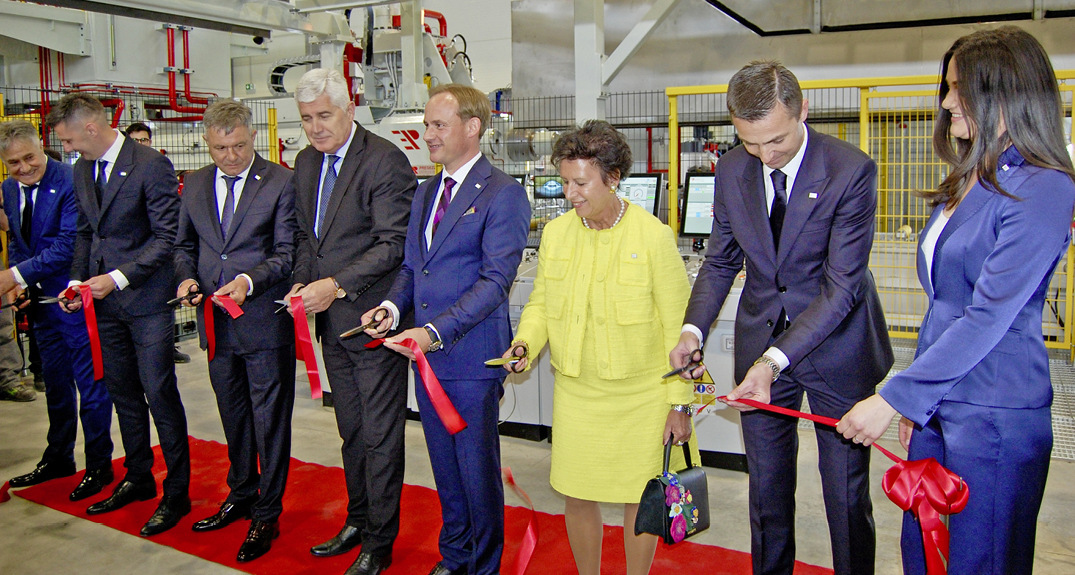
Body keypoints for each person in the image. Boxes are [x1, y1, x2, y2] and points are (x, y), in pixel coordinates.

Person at [837, 26, 1075, 575]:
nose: (945, 102)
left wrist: (895, 396)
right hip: (943, 406)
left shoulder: (1044, 186)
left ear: (1007, 92)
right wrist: (922, 404)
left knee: (979, 561)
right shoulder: (972, 178)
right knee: (923, 554)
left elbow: (989, 314)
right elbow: (946, 306)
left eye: (958, 88)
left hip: (994, 416)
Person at [669, 61, 894, 575]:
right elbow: (723, 260)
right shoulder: (730, 170)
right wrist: (692, 328)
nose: (765, 156)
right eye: (750, 143)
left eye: (776, 141)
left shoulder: (850, 170)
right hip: (760, 344)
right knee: (767, 495)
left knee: (845, 497)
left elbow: (841, 287)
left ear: (803, 111)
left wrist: (773, 361)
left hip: (838, 345)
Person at [502, 120, 695, 575]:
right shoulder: (557, 234)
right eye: (565, 182)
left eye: (581, 183)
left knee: (639, 496)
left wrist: (681, 405)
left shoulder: (653, 237)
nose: (570, 194)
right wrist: (525, 343)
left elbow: (680, 330)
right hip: (578, 392)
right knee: (577, 491)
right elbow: (543, 303)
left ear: (612, 177)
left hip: (643, 395)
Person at [362, 83, 531, 575]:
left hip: (471, 359)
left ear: (472, 127)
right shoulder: (425, 191)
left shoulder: (504, 194)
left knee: (476, 472)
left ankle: (482, 566)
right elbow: (415, 270)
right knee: (446, 470)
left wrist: (433, 331)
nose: (427, 134)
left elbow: (495, 282)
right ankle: (455, 555)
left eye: (438, 125)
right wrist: (392, 309)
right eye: (427, 124)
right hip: (429, 357)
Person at [285, 68, 415, 575]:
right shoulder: (304, 162)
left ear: (349, 110)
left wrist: (335, 285)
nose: (315, 128)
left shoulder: (384, 160)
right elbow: (304, 236)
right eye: (306, 119)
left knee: (381, 438)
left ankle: (379, 545)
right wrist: (302, 281)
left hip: (371, 322)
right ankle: (359, 521)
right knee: (351, 430)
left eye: (324, 115)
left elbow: (392, 243)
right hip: (326, 320)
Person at [47, 94, 191, 537]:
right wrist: (76, 283)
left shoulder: (150, 164)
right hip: (104, 303)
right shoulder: (81, 169)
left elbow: (167, 238)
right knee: (123, 393)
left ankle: (178, 493)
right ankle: (139, 476)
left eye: (70, 140)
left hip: (146, 301)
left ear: (91, 128)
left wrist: (119, 277)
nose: (68, 149)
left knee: (159, 393)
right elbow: (86, 234)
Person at [173, 99, 297, 562]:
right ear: (207, 142)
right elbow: (184, 244)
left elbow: (286, 252)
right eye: (221, 148)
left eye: (239, 146)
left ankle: (268, 511)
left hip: (263, 321)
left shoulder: (281, 182)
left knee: (270, 422)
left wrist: (247, 282)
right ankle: (241, 493)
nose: (230, 156)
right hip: (215, 325)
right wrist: (186, 277)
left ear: (252, 138)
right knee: (233, 414)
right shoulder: (196, 183)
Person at [1, 119, 114, 500]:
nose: (23, 168)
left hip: (74, 300)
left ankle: (99, 465)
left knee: (91, 385)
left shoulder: (69, 180)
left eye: (29, 158)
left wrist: (13, 274)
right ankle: (59, 457)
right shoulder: (8, 188)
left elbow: (68, 245)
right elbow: (19, 240)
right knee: (54, 384)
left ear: (41, 148)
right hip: (41, 305)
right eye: (13, 163)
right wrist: (20, 283)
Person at [124, 121, 191, 364]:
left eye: (144, 140)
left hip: (161, 250)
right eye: (135, 140)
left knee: (164, 304)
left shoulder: (159, 166)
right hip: (134, 253)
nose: (141, 145)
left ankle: (168, 346)